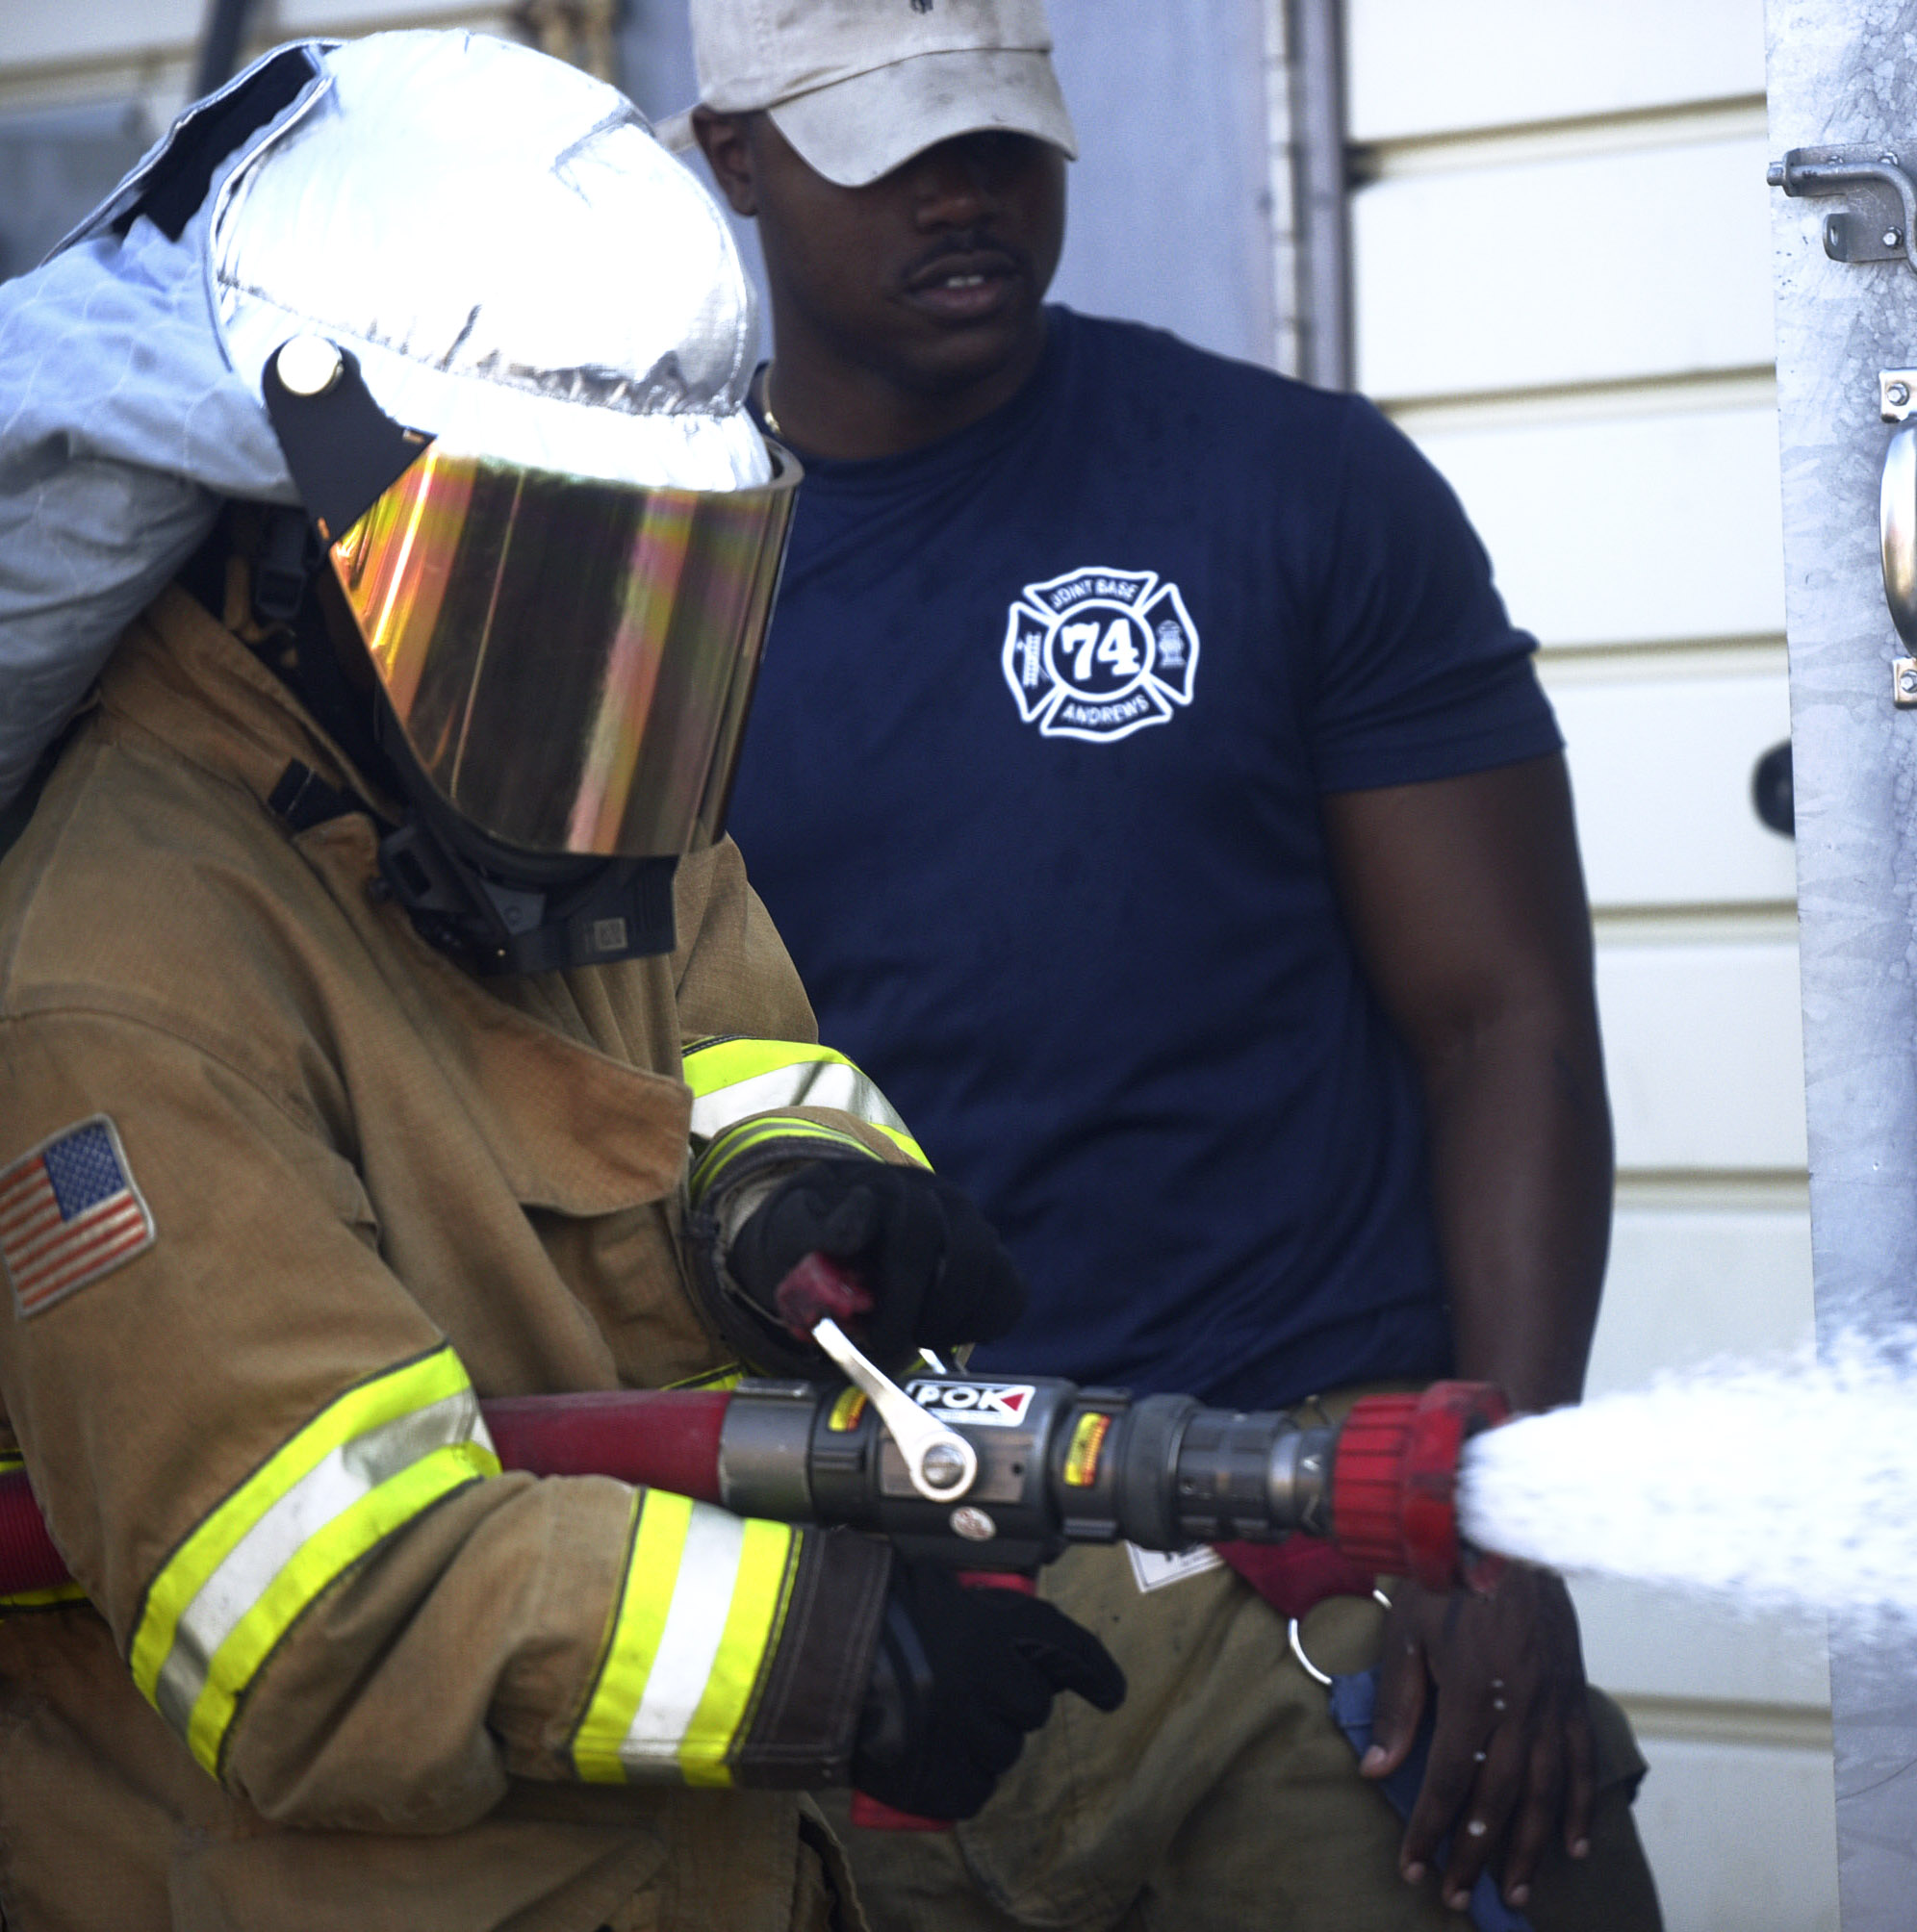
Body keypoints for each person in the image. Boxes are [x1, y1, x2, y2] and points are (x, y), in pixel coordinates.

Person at [0, 32, 1121, 1931]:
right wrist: (817, 1653)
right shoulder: (126, 976)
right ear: (305, 549)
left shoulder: (552, 783)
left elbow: (734, 1038)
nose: (601, 671)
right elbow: (319, 1606)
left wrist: (789, 1189)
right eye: (535, 591)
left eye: (649, 590)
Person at [677, 3, 1662, 1924]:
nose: (963, 190)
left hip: (1306, 1577)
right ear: (735, 160)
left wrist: (1501, 1517)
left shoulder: (1292, 490)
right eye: (889, 146)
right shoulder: (639, 581)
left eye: (1000, 133)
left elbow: (1505, 1023)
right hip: (868, 1616)